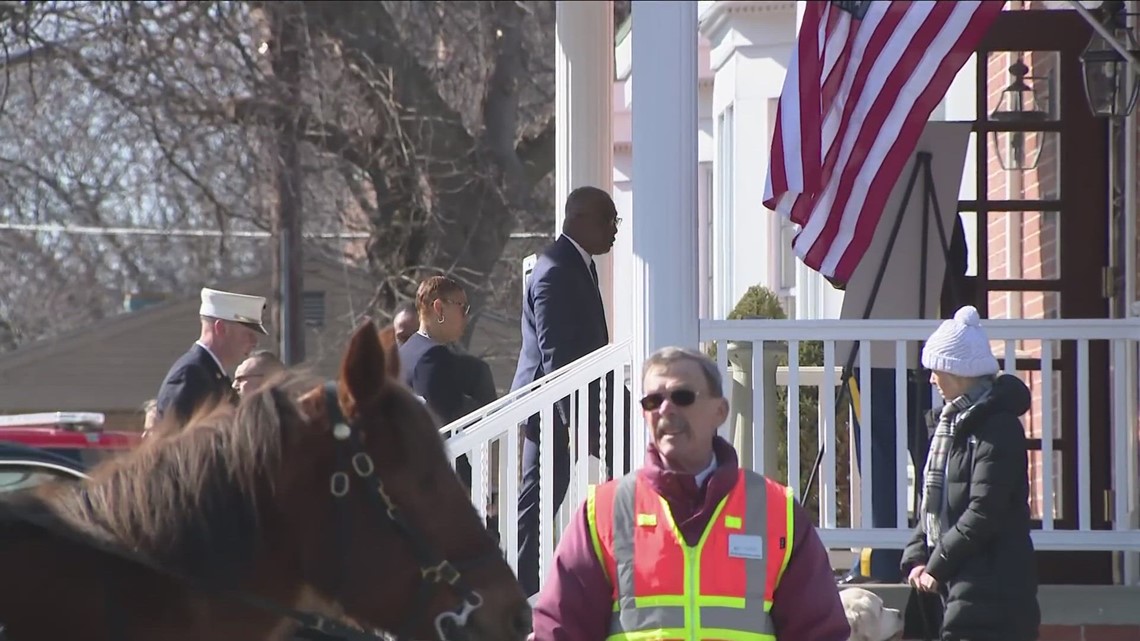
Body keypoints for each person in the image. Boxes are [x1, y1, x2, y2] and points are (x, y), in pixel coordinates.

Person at [531, 346, 850, 641]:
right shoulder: (603, 512)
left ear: (720, 412)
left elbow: (819, 631)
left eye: (682, 396)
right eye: (652, 401)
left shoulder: (776, 511)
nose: (665, 409)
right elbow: (559, 629)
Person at [511, 185, 630, 596]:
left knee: (640, 461)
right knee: (538, 503)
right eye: (608, 220)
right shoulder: (555, 268)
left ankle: (631, 561)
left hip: (591, 396)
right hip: (554, 406)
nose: (614, 230)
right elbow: (555, 352)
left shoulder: (578, 263)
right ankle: (519, 593)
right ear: (578, 218)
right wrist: (572, 421)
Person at [901, 305, 1039, 641]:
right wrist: (917, 558)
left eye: (936, 369)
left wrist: (937, 566)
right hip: (950, 592)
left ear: (957, 370)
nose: (932, 378)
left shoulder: (998, 428)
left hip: (992, 596)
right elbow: (931, 506)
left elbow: (983, 512)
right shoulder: (949, 426)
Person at [398, 276, 476, 485]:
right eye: (462, 308)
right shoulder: (433, 358)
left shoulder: (405, 352)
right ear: (439, 308)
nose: (465, 317)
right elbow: (445, 432)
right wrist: (472, 486)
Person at [155, 287, 266, 426]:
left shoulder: (210, 375)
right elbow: (178, 442)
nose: (255, 342)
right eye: (248, 334)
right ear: (220, 328)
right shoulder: (190, 376)